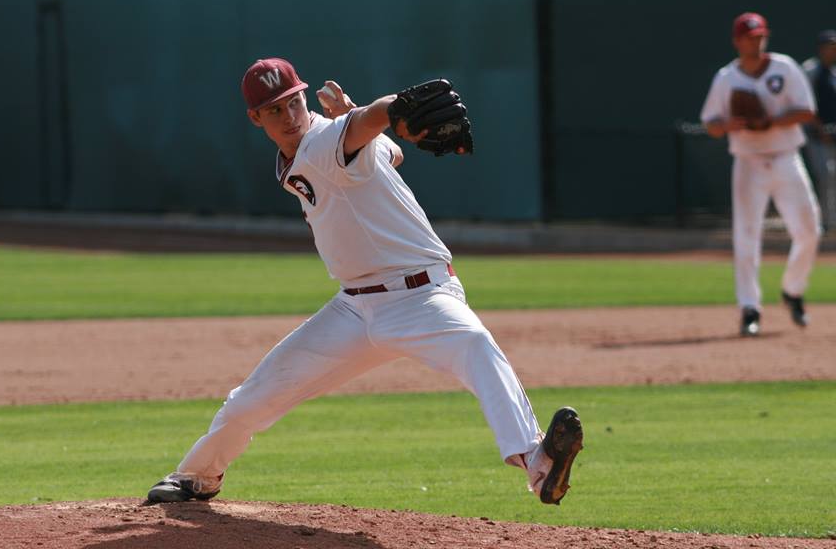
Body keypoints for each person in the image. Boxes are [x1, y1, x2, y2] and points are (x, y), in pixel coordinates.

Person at [145, 57, 583, 506]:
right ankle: (197, 476)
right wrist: (361, 119)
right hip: (353, 310)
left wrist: (392, 109)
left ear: (304, 97)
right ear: (256, 118)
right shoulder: (328, 141)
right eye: (275, 109)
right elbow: (390, 151)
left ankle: (539, 461)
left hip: (422, 296)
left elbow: (372, 119)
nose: (289, 115)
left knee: (474, 343)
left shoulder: (324, 139)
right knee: (252, 398)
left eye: (294, 102)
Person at [700, 13, 822, 336]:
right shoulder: (726, 78)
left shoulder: (785, 67)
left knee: (810, 231)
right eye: (750, 37)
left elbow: (807, 111)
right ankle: (749, 308)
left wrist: (771, 121)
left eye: (760, 36)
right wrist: (728, 125)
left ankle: (793, 290)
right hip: (748, 162)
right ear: (737, 41)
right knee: (746, 235)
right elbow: (710, 123)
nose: (756, 42)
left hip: (786, 157)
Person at [801, 29, 836, 229]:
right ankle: (822, 221)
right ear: (820, 48)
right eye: (829, 47)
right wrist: (820, 129)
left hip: (833, 133)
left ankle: (830, 220)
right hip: (815, 134)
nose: (832, 51)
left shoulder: (833, 72)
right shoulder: (810, 70)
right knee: (823, 175)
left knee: (832, 177)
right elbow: (805, 104)